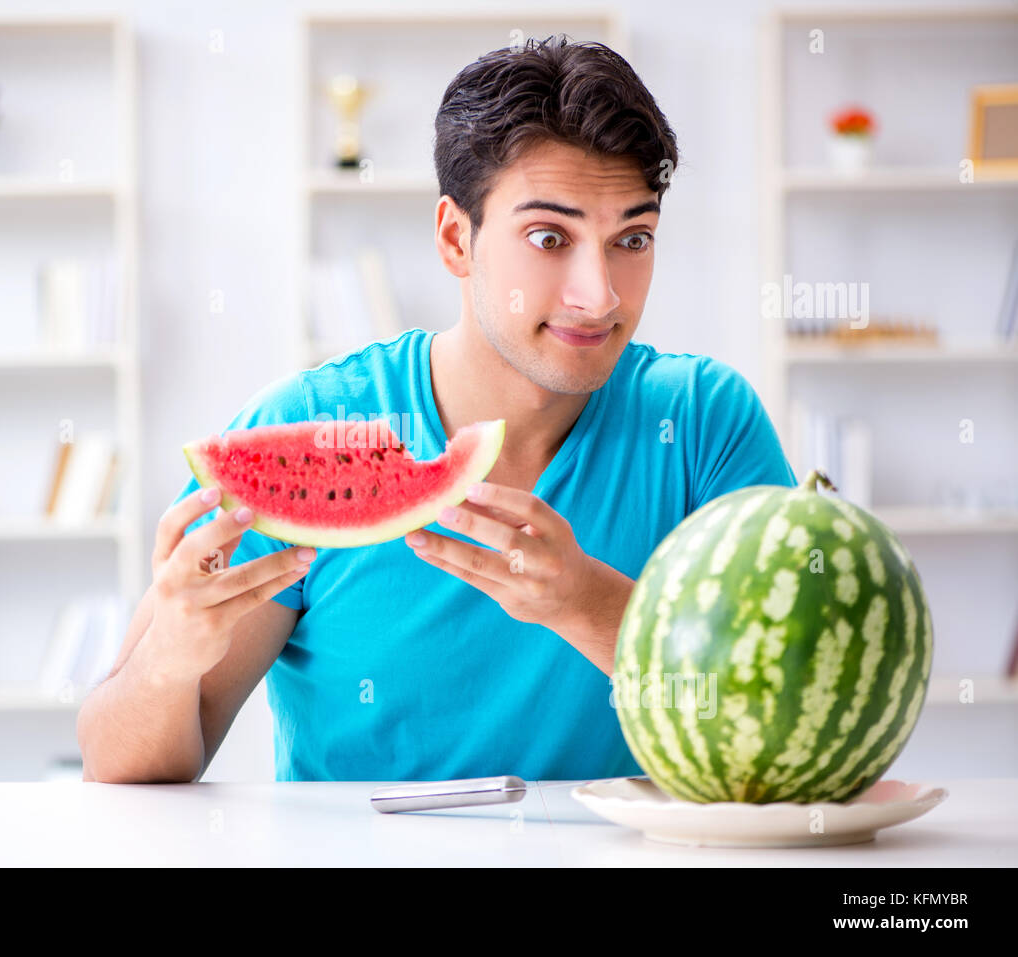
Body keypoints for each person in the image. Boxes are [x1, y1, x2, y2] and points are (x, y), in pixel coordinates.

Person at [78, 36, 795, 784]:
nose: (601, 294)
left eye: (632, 239)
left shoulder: (705, 423)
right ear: (457, 238)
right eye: (550, 238)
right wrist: (167, 660)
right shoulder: (308, 423)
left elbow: (785, 730)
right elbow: (116, 765)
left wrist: (587, 603)